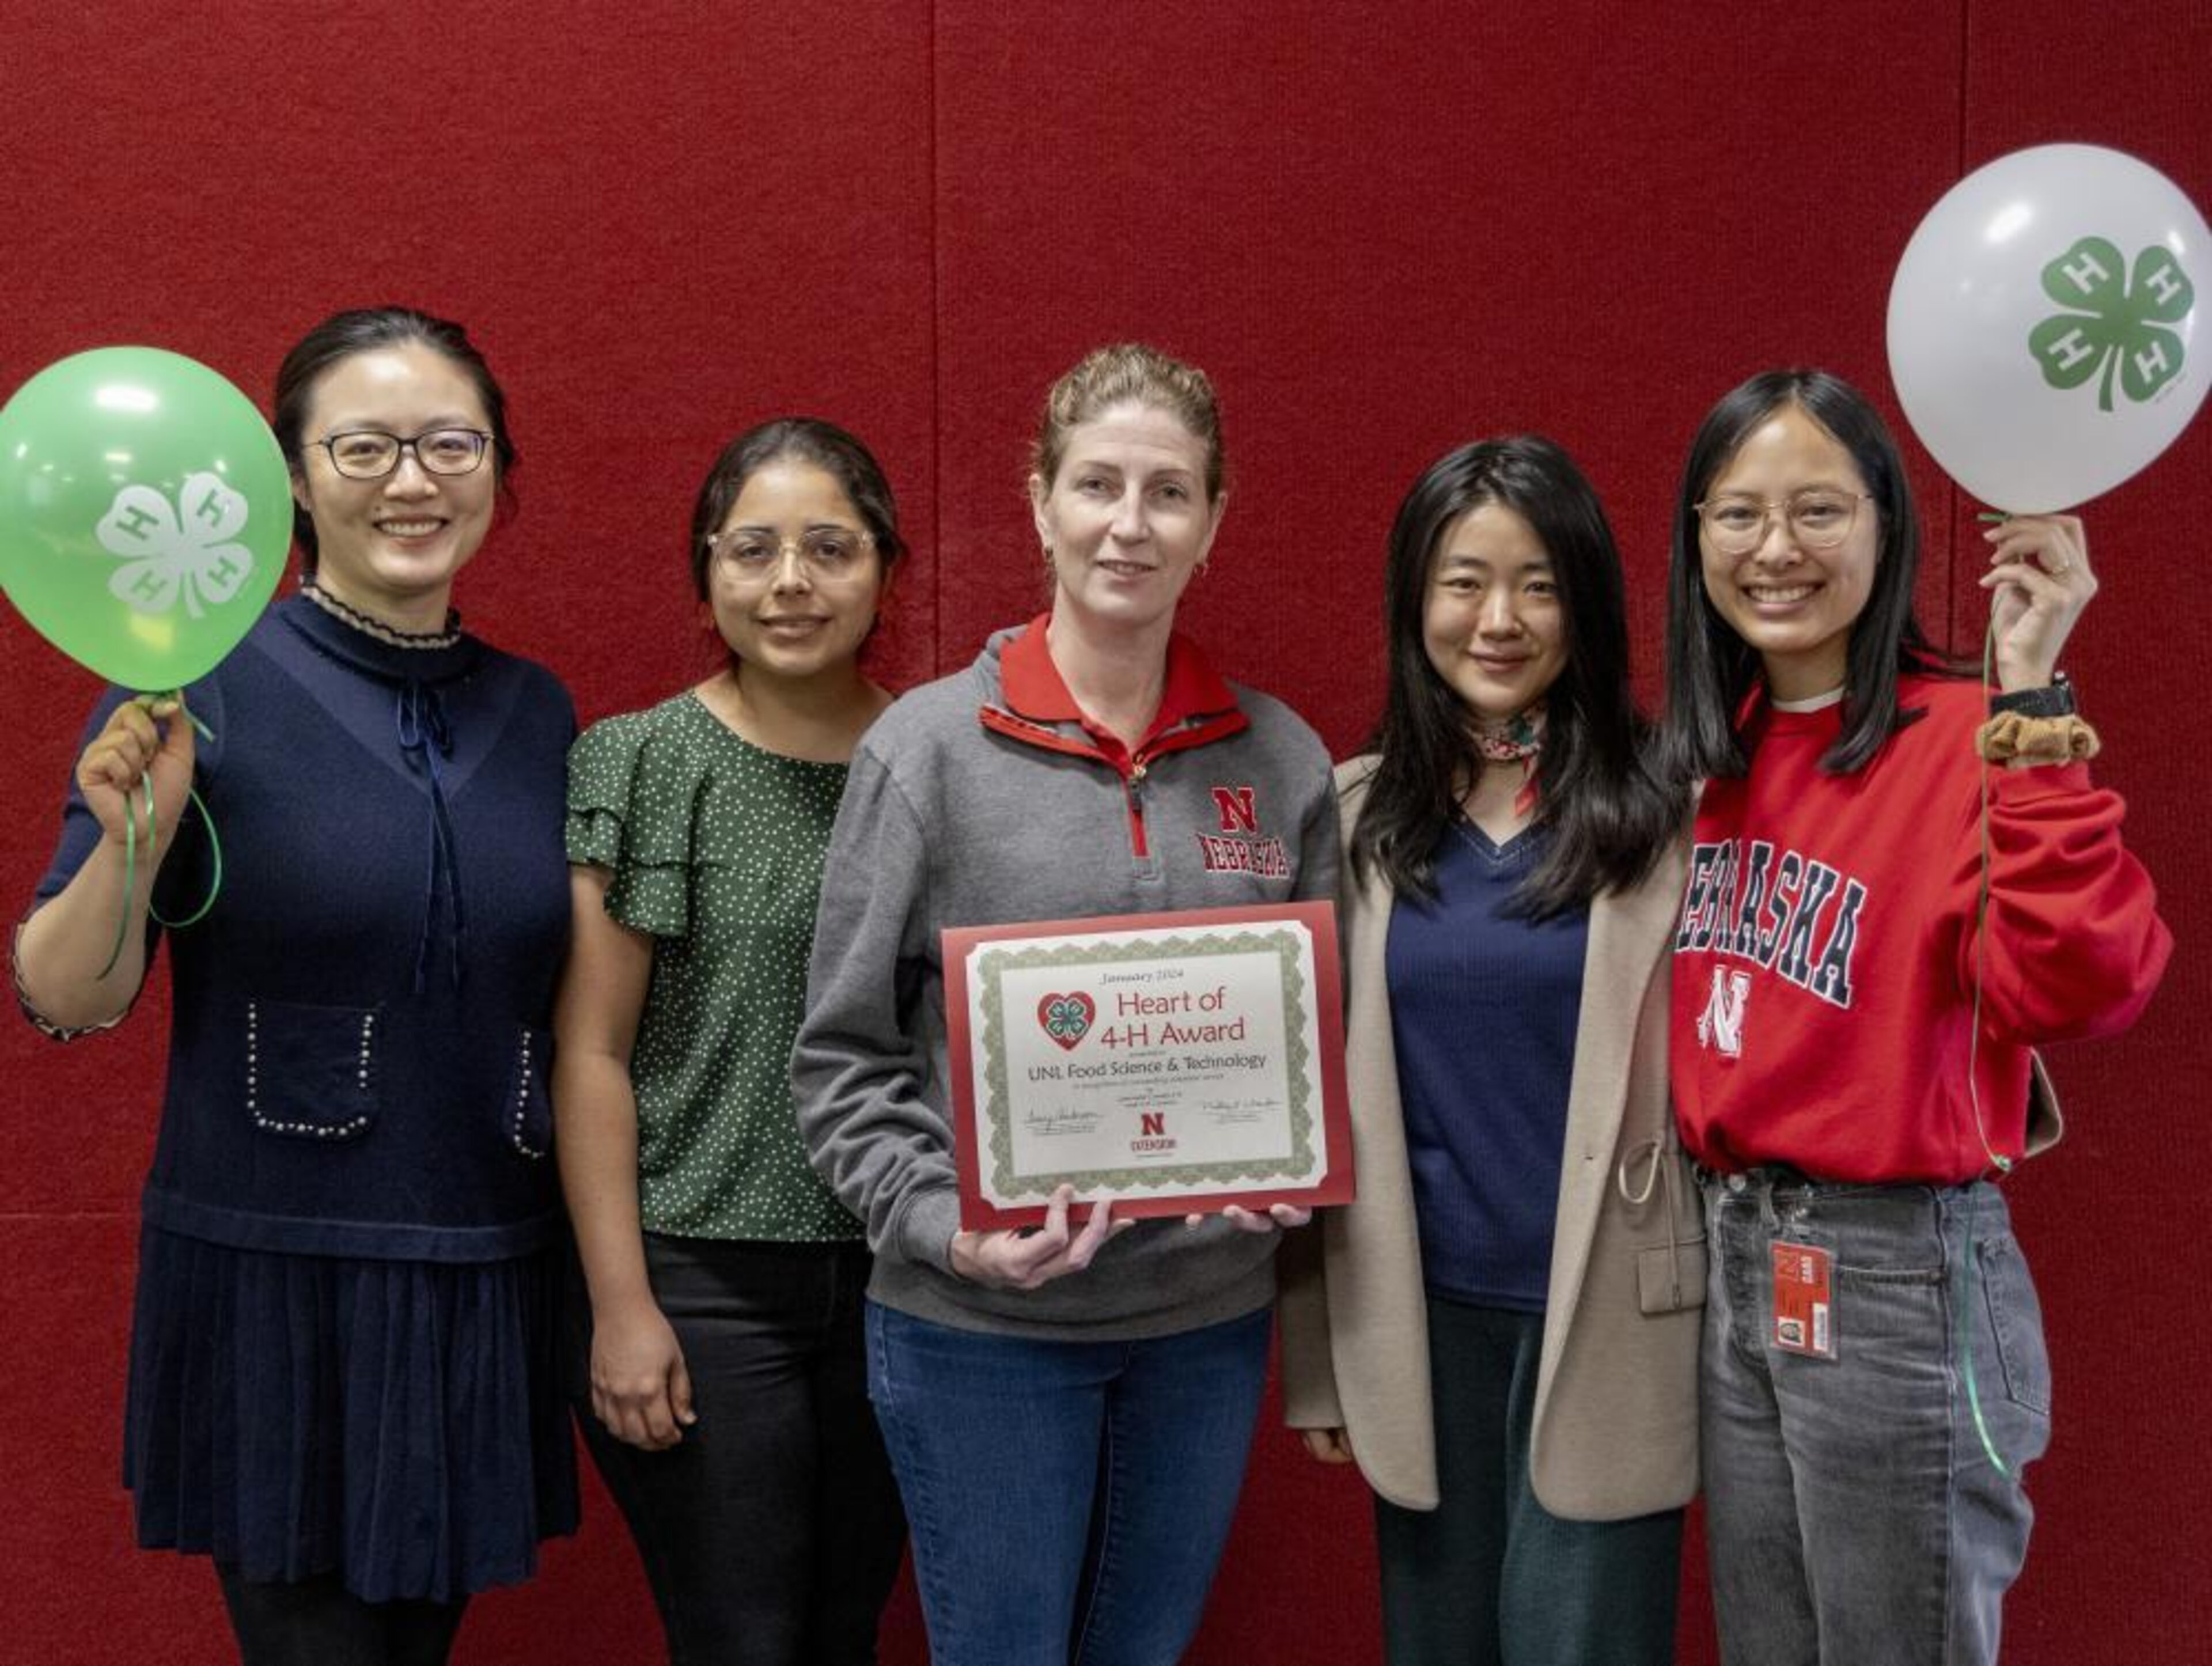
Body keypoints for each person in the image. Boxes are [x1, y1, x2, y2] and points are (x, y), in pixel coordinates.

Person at [10, 308, 577, 1664]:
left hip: (476, 1269)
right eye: (365, 445)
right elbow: (63, 995)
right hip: (275, 1278)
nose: (412, 480)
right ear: (293, 477)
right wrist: (133, 838)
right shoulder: (191, 687)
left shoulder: (543, 709)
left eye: (451, 443)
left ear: (497, 468)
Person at [791, 343, 1338, 1666]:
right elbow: (842, 1061)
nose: (1129, 524)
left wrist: (1295, 1167)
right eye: (1098, 484)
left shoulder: (1282, 757)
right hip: (981, 1331)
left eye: (1169, 491)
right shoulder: (923, 750)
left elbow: (1323, 1049)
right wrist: (946, 1229)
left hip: (1203, 1329)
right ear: (1040, 501)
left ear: (1215, 521)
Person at [1662, 369, 2171, 1666]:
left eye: (1819, 510)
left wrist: (2033, 693)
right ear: (1697, 541)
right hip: (1737, 1263)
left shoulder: (1969, 736)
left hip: (1899, 1274)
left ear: (1889, 527)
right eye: (1738, 515)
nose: (1776, 550)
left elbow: (2080, 987)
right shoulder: (1708, 766)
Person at [1278, 437, 1699, 1666]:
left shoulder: (1672, 810)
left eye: (1540, 584)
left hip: (1617, 1318)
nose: (1499, 620)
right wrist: (1315, 1369)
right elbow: (1308, 1113)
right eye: (1464, 581)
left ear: (1591, 602)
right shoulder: (1353, 816)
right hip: (1417, 1319)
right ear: (1417, 601)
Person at [552, 418, 908, 1666]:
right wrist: (619, 1307)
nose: (791, 582)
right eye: (752, 550)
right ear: (708, 572)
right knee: (741, 1639)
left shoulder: (939, 760)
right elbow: (591, 1051)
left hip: (906, 1276)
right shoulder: (643, 759)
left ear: (884, 568)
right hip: (700, 1278)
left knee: (845, 1629)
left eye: (829, 548)